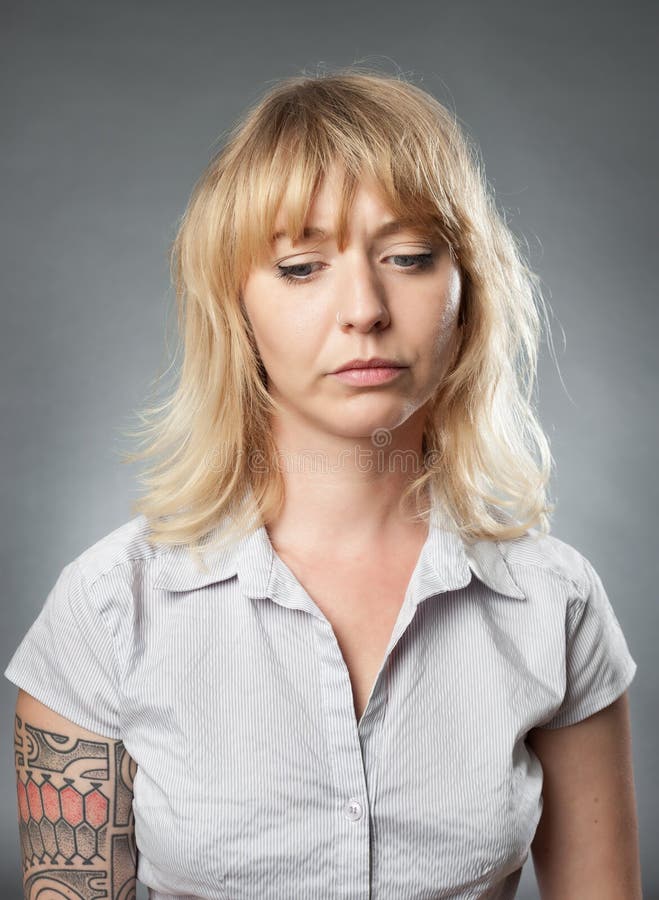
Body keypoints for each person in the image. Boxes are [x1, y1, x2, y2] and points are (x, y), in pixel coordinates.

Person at [4, 68, 642, 899]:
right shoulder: (105, 608)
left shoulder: (554, 603)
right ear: (235, 310)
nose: (365, 308)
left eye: (409, 257)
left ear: (468, 292)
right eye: (302, 266)